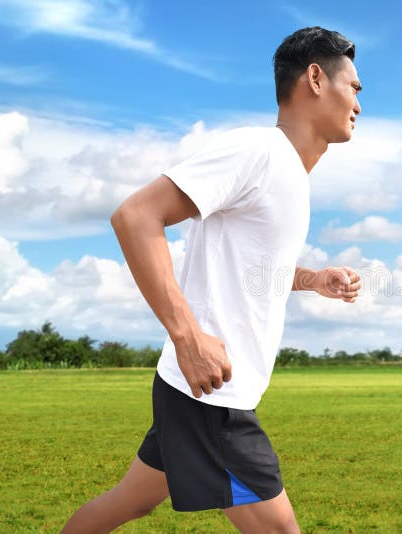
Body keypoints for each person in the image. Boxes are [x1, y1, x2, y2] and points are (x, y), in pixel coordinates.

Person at [62, 26, 363, 533]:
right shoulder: (258, 151)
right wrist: (188, 336)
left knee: (128, 502)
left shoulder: (290, 176)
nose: (358, 102)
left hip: (200, 390)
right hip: (213, 395)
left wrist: (312, 279)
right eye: (353, 87)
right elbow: (135, 216)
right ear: (315, 77)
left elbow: (251, 271)